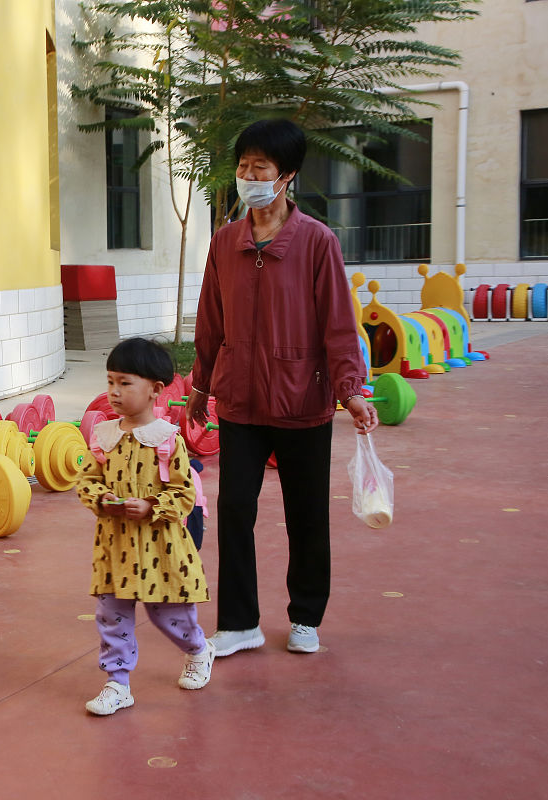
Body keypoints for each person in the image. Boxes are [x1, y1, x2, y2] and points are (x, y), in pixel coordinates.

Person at [186, 118, 379, 659]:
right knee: (235, 510)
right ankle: (240, 623)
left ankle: (306, 617)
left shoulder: (316, 242)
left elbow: (338, 325)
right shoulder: (225, 242)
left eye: (260, 167)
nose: (249, 176)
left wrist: (351, 390)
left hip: (303, 401)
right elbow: (210, 319)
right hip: (241, 402)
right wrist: (201, 385)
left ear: (286, 175)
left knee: (307, 515)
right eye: (243, 166)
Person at [75, 337, 213, 716]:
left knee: (167, 614)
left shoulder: (167, 440)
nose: (114, 392)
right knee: (111, 616)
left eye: (125, 383)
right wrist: (101, 498)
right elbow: (86, 481)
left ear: (155, 390)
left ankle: (198, 649)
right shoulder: (104, 437)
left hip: (160, 550)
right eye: (110, 382)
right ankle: (117, 683)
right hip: (114, 548)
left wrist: (152, 505)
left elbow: (184, 493)